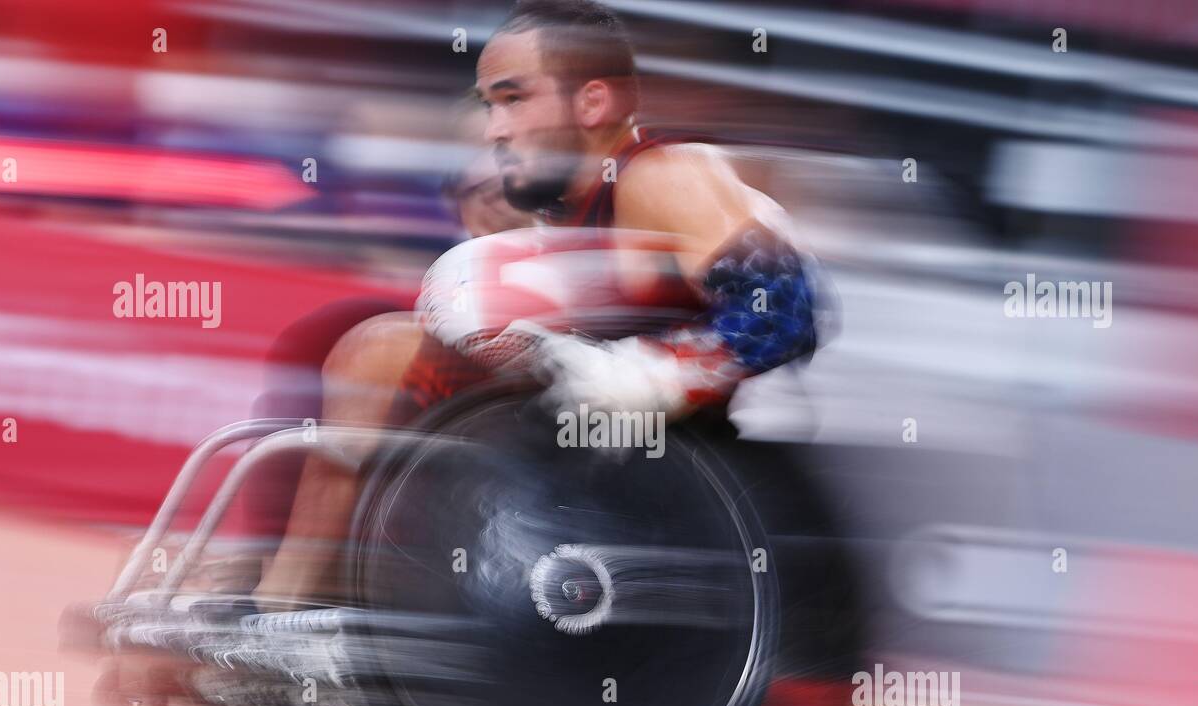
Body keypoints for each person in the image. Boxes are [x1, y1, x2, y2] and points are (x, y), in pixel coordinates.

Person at [246, 0, 823, 609]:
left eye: (513, 99)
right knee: (351, 344)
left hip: (659, 477)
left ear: (593, 103)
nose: (496, 130)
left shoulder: (662, 174)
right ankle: (287, 599)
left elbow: (786, 308)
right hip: (564, 454)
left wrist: (652, 373)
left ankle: (289, 605)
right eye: (489, 106)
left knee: (373, 352)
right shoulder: (558, 201)